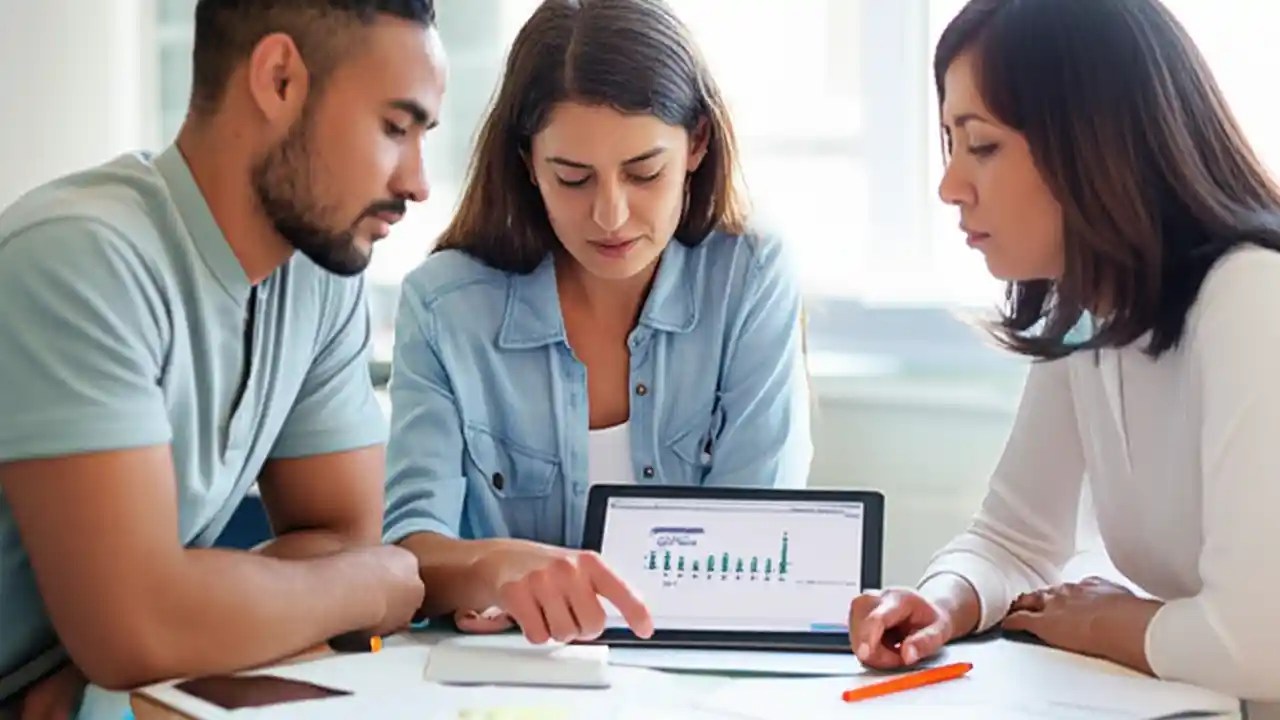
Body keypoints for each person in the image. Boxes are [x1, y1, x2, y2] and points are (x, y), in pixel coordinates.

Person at [0, 0, 445, 717]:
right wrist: (367, 588)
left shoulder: (317, 276)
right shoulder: (78, 259)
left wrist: (164, 615)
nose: (418, 182)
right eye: (394, 128)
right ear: (278, 81)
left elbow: (343, 539)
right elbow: (140, 628)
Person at [846, 0, 1280, 714]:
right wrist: (938, 603)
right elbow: (1015, 539)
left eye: (980, 146)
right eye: (951, 145)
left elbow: (1258, 638)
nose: (950, 186)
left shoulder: (1250, 298)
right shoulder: (1087, 312)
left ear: (1092, 143)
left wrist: (1108, 622)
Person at [383, 0, 812, 645]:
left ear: (696, 143)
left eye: (644, 173)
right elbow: (412, 554)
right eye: (573, 177)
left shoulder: (749, 278)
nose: (610, 216)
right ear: (529, 163)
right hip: (510, 683)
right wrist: (491, 573)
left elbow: (753, 543)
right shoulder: (444, 308)